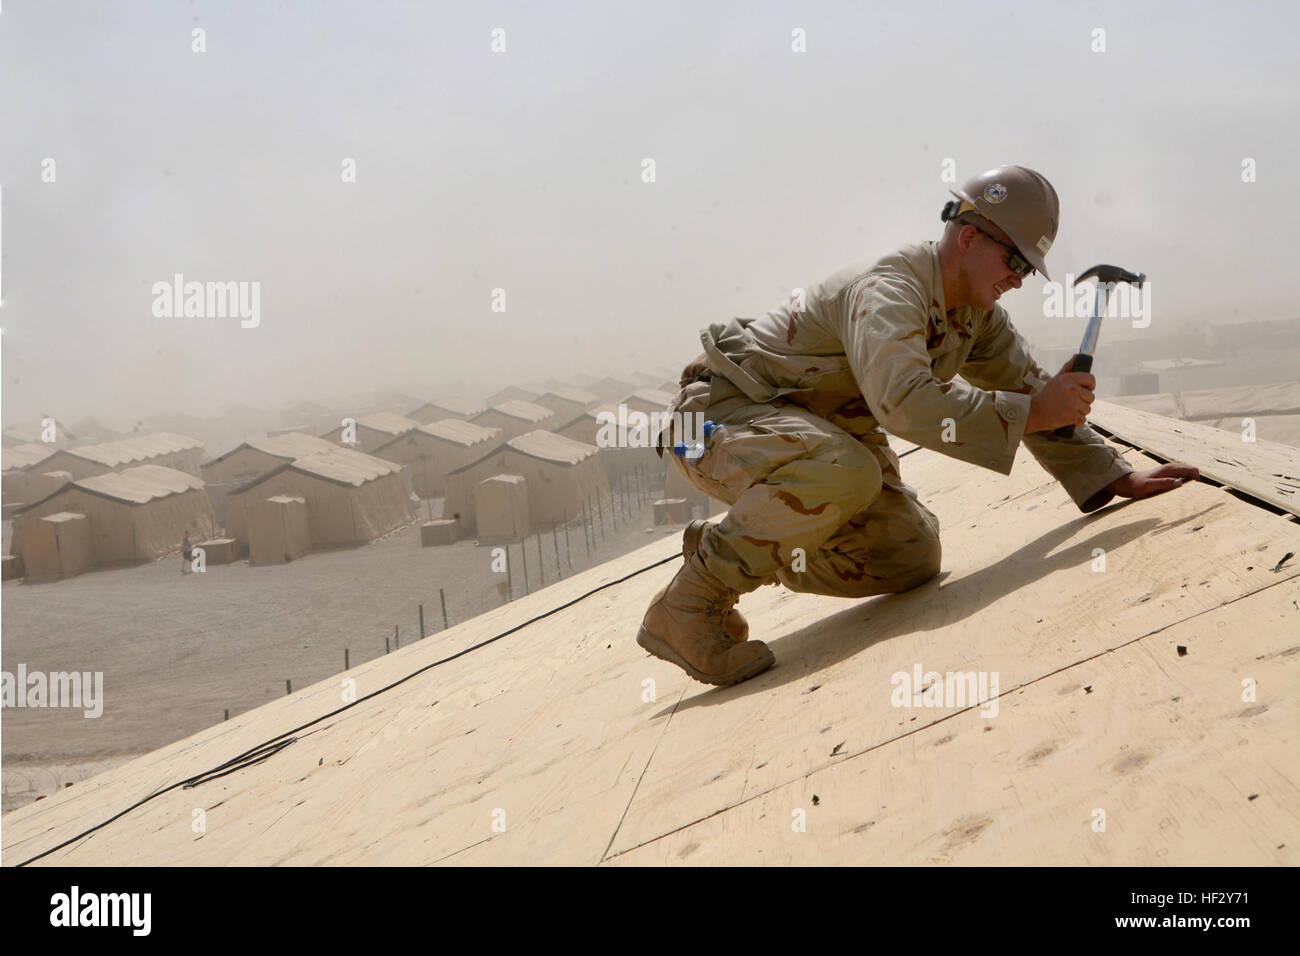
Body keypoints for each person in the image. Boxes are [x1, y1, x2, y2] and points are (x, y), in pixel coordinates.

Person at [640, 165, 1200, 687]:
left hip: (800, 432)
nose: (1020, 279)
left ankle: (731, 544)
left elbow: (1031, 391)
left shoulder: (974, 317)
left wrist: (1109, 475)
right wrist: (1035, 410)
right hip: (715, 420)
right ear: (970, 237)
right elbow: (904, 401)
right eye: (1015, 261)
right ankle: (688, 606)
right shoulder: (892, 289)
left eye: (1029, 268)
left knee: (908, 553)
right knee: (846, 471)